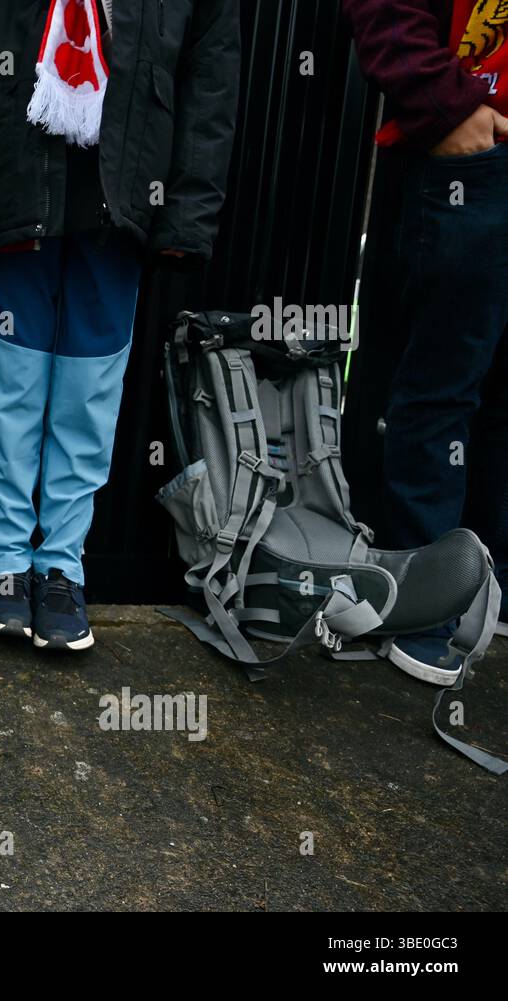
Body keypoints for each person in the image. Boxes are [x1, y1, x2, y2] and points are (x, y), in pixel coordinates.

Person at [0, 0, 240, 650]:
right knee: (13, 387)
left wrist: (185, 215)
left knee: (88, 397)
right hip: (15, 181)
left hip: (124, 189)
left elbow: (212, 81)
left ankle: (62, 567)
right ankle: (3, 565)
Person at [343, 0, 508, 682]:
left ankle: (486, 593)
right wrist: (446, 107)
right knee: (439, 382)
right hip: (473, 155)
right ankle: (421, 605)